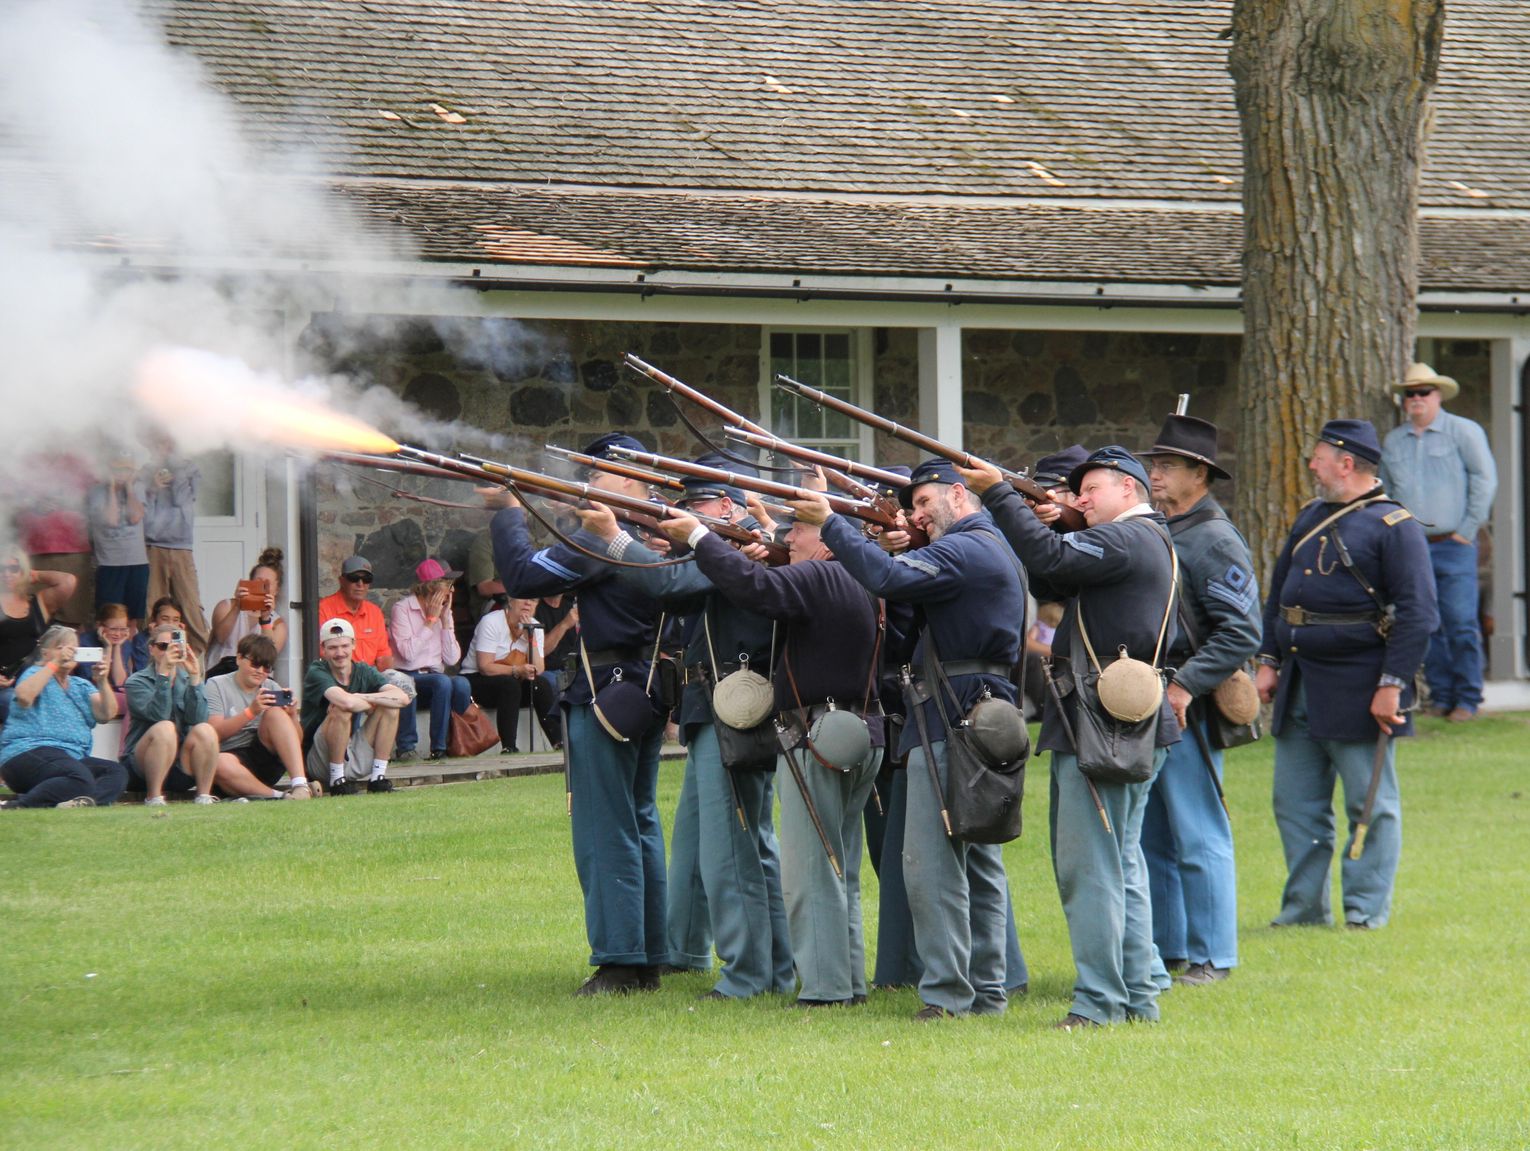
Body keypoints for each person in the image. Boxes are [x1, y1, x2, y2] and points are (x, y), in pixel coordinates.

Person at [789, 458, 1026, 1021]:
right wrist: (891, 544)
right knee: (978, 862)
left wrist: (830, 522)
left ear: (959, 497)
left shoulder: (965, 547)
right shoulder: (990, 546)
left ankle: (947, 996)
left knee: (930, 863)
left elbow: (890, 581)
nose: (917, 514)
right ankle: (986, 992)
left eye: (924, 502)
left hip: (952, 712)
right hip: (980, 709)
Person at [957, 446, 1180, 1029]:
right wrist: (1050, 521)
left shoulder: (1125, 539)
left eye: (1091, 489)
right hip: (1122, 725)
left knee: (1092, 870)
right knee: (1120, 865)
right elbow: (1049, 576)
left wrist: (998, 493)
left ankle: (1100, 1002)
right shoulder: (1142, 539)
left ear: (1128, 488)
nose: (1079, 498)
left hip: (1100, 729)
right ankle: (1137, 996)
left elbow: (1047, 556)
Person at [659, 491, 886, 1007]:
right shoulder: (863, 579)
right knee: (841, 870)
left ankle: (826, 991)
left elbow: (754, 587)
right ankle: (848, 984)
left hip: (817, 733)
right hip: (858, 729)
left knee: (811, 871)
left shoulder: (822, 575)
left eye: (800, 529)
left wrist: (699, 537)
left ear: (829, 541)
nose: (789, 536)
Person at [580, 457, 793, 1001]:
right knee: (743, 844)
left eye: (696, 506)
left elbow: (670, 584)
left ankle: (747, 974)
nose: (684, 516)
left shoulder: (737, 549)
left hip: (733, 706)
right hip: (717, 704)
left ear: (725, 507)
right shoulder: (729, 548)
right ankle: (773, 967)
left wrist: (614, 538)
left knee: (730, 851)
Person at [491, 433, 669, 996]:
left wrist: (509, 510)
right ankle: (648, 956)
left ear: (628, 478)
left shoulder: (606, 538)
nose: (588, 483)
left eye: (597, 473)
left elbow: (522, 577)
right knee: (638, 820)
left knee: (603, 826)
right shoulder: (654, 529)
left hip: (605, 690)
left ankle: (619, 961)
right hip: (642, 687)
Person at [1256, 419, 1438, 930]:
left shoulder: (1395, 526)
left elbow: (1419, 613)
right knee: (1295, 804)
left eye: (1318, 458)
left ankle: (1364, 910)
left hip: (1360, 685)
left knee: (1370, 804)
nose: (1312, 466)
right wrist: (1268, 660)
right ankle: (1304, 910)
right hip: (1299, 680)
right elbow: (1278, 598)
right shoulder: (1310, 516)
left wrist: (1391, 684)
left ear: (1346, 463)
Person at [1138, 415, 1262, 987]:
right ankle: (1171, 948)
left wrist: (1185, 685)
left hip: (1190, 702)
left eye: (1167, 466)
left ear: (1200, 474)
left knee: (1198, 829)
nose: (1155, 474)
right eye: (1154, 465)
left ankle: (1214, 955)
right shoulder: (1168, 528)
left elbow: (1241, 631)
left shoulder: (1213, 537)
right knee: (1155, 832)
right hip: (1155, 696)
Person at [1379, 363, 1498, 721]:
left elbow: (1484, 480)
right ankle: (1441, 696)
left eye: (1423, 392)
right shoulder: (1393, 440)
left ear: (1438, 396)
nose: (1416, 398)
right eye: (1410, 393)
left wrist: (1467, 529)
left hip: (1454, 543)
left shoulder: (1464, 431)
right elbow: (1386, 492)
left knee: (1461, 622)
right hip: (1411, 546)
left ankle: (1468, 698)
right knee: (1423, 623)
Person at [0, 625, 125, 809]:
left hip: (70, 759)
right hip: (27, 753)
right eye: (60, 647)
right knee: (79, 776)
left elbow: (107, 714)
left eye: (73, 648)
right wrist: (54, 663)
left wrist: (102, 681)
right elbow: (24, 696)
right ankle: (20, 805)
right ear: (45, 653)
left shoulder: (81, 685)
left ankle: (81, 804)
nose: (68, 653)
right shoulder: (34, 673)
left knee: (115, 772)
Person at [318, 555, 419, 756]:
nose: (360, 584)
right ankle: (348, 753)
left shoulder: (374, 612)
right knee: (350, 690)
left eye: (366, 579)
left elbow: (384, 655)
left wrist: (384, 682)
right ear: (342, 580)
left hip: (369, 675)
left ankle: (406, 748)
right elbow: (324, 653)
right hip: (339, 675)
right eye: (354, 578)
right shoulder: (325, 608)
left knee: (403, 684)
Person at [300, 618, 409, 795]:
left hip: (351, 752)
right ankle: (337, 781)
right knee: (341, 709)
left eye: (344, 646)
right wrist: (368, 704)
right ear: (323, 649)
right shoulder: (317, 671)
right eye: (333, 648)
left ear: (354, 645)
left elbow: (402, 698)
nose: (340, 653)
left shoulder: (363, 670)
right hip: (317, 761)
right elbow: (346, 702)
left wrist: (363, 697)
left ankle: (378, 778)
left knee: (390, 706)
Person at [204, 633, 314, 799]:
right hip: (231, 756)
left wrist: (291, 716)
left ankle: (301, 785)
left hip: (266, 756)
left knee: (275, 714)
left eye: (267, 667)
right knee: (218, 763)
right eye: (255, 664)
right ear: (239, 658)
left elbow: (296, 741)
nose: (260, 671)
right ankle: (280, 796)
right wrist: (251, 712)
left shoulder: (271, 686)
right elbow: (214, 733)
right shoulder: (216, 685)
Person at [122, 621, 219, 805]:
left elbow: (198, 719)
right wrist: (163, 676)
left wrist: (195, 677)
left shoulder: (186, 678)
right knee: (165, 728)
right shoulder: (136, 681)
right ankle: (153, 797)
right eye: (163, 646)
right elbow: (159, 715)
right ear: (151, 649)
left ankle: (204, 796)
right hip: (141, 767)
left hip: (179, 765)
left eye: (174, 646)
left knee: (206, 730)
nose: (168, 651)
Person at [390, 557, 473, 761]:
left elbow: (452, 659)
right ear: (431, 587)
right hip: (409, 674)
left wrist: (445, 622)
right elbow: (408, 654)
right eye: (448, 585)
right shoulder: (402, 608)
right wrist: (430, 622)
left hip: (435, 677)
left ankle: (454, 743)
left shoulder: (445, 611)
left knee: (461, 683)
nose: (452, 591)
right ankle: (412, 747)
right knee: (441, 681)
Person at [140, 431, 210, 653]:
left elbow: (183, 500)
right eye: (159, 443)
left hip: (181, 546)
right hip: (153, 545)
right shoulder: (146, 471)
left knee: (190, 606)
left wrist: (176, 470)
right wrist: (153, 487)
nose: (164, 447)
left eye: (168, 442)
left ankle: (197, 660)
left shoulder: (189, 469)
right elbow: (142, 509)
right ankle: (150, 656)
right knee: (152, 605)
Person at [463, 595, 560, 753]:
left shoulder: (534, 626)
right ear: (510, 600)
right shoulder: (492, 621)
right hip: (477, 679)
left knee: (540, 684)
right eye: (523, 598)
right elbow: (485, 666)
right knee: (509, 684)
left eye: (533, 600)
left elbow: (538, 668)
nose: (528, 603)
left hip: (511, 682)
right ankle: (509, 746)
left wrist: (531, 638)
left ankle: (558, 742)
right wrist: (516, 670)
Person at [0, 551, 78, 725]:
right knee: (16, 702)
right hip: (5, 686)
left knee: (69, 699)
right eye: (2, 568)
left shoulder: (38, 603)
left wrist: (35, 575)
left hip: (35, 679)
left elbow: (68, 581)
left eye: (14, 568)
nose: (6, 573)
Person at [86, 453, 149, 626]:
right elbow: (111, 520)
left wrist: (129, 488)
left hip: (137, 561)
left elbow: (135, 517)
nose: (121, 473)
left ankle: (130, 643)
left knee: (134, 617)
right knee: (107, 615)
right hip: (109, 562)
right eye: (117, 469)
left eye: (126, 470)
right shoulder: (96, 491)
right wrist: (112, 489)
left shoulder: (137, 488)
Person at [205, 547, 288, 670]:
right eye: (258, 581)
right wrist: (238, 606)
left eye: (267, 584)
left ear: (276, 590)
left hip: (254, 677)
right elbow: (221, 637)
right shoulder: (226, 606)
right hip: (220, 672)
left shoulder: (278, 625)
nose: (262, 587)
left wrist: (265, 618)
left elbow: (267, 656)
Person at [74, 602, 139, 715]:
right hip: (89, 691)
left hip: (113, 693)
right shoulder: (84, 642)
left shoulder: (125, 644)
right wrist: (108, 647)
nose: (118, 634)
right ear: (99, 626)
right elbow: (97, 680)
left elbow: (119, 681)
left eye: (123, 629)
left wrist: (117, 647)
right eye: (113, 629)